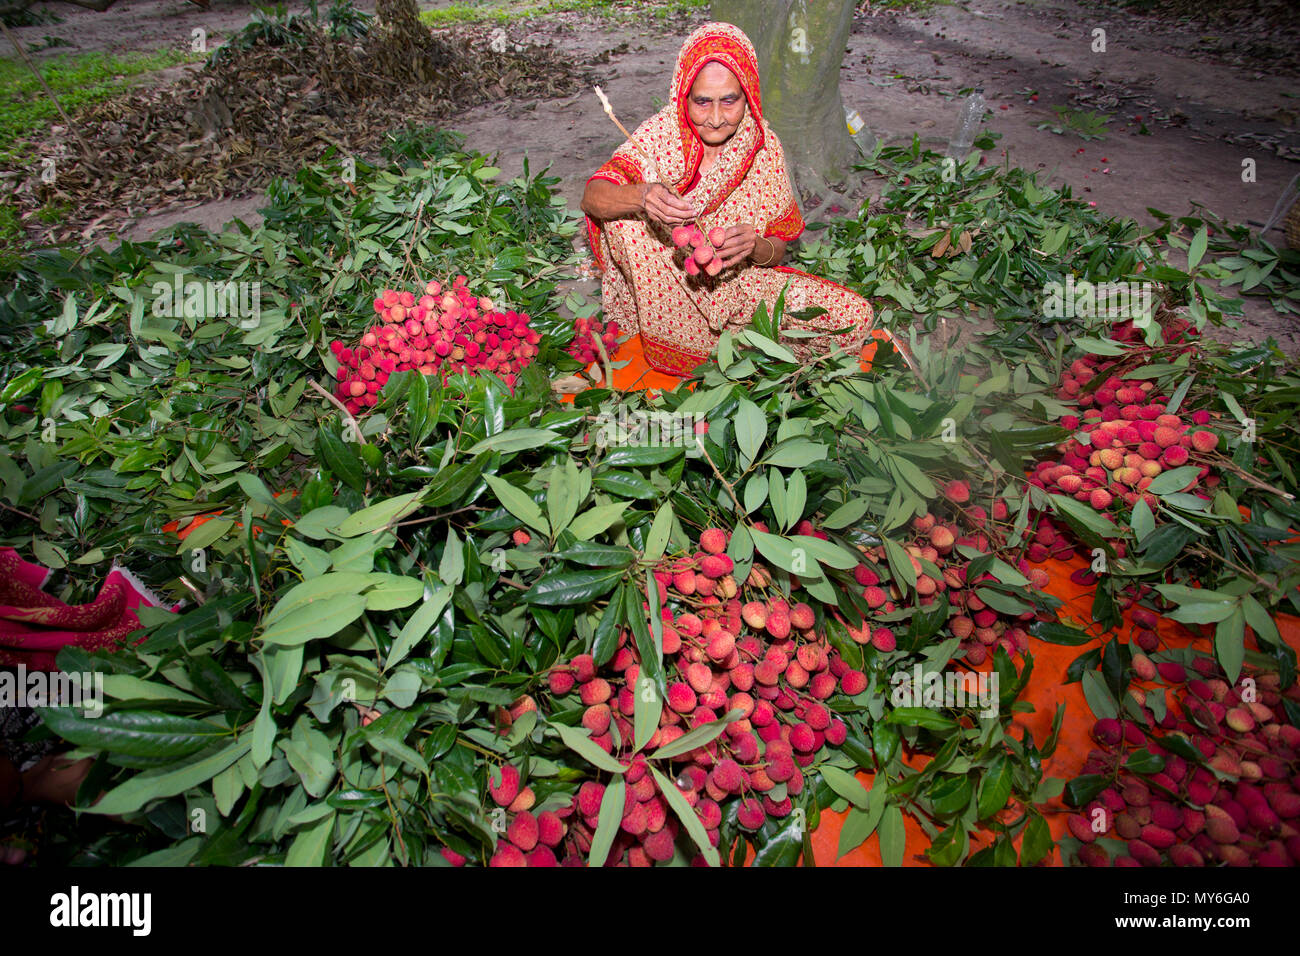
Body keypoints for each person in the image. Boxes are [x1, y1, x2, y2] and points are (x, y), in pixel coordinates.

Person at [581, 21, 880, 377]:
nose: (717, 118)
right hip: (668, 292)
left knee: (854, 316)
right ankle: (693, 348)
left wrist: (753, 246)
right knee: (625, 220)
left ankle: (731, 347)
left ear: (748, 94)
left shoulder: (763, 149)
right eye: (702, 101)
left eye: (729, 100)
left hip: (741, 289)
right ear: (683, 94)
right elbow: (592, 197)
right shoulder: (659, 137)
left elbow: (778, 249)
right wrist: (642, 195)